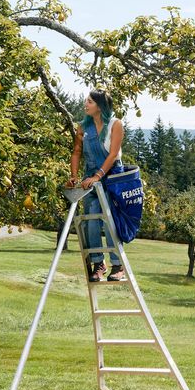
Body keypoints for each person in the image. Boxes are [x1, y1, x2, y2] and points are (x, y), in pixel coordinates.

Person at [68, 89, 126, 282]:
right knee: (91, 221)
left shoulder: (115, 125)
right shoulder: (83, 127)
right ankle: (98, 263)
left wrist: (98, 176)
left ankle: (118, 265)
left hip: (112, 177)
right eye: (86, 101)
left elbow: (113, 154)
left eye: (90, 101)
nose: (85, 104)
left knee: (110, 221)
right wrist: (74, 176)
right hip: (90, 179)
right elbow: (77, 152)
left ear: (100, 106)